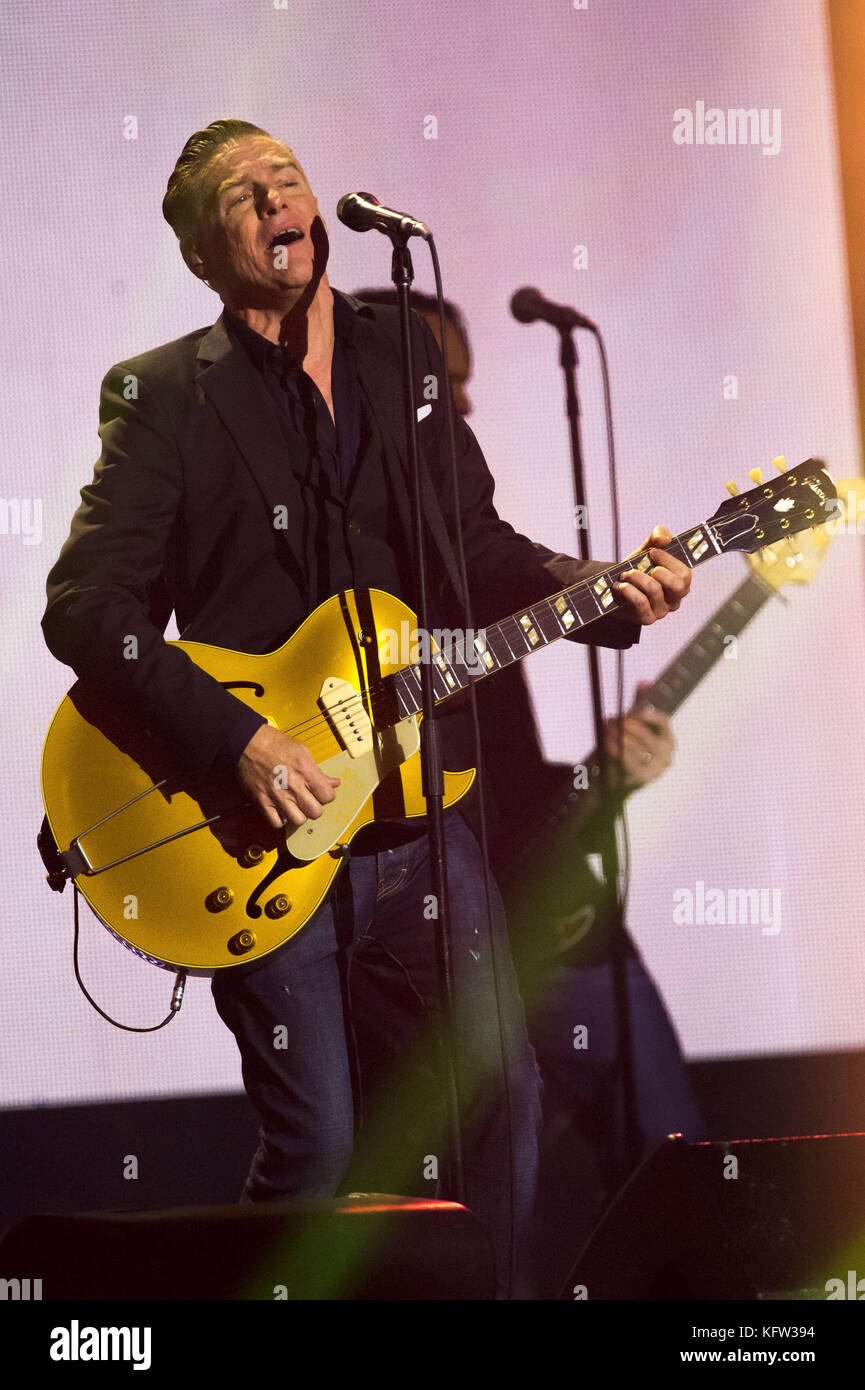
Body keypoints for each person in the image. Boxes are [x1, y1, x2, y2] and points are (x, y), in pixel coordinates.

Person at [41, 120, 692, 1300]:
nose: (275, 197)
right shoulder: (163, 396)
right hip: (250, 825)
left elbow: (475, 547)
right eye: (242, 195)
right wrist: (239, 738)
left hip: (411, 823)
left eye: (285, 175)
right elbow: (85, 606)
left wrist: (604, 596)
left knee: (501, 1101)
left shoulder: (403, 356)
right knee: (320, 1148)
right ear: (202, 254)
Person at [354, 289, 704, 1294]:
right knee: (470, 1169)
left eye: (460, 385)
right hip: (429, 920)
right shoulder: (355, 569)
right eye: (437, 387)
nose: (455, 407)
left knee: (671, 1149)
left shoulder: (467, 555)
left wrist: (610, 770)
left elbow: (505, 779)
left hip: (532, 898)